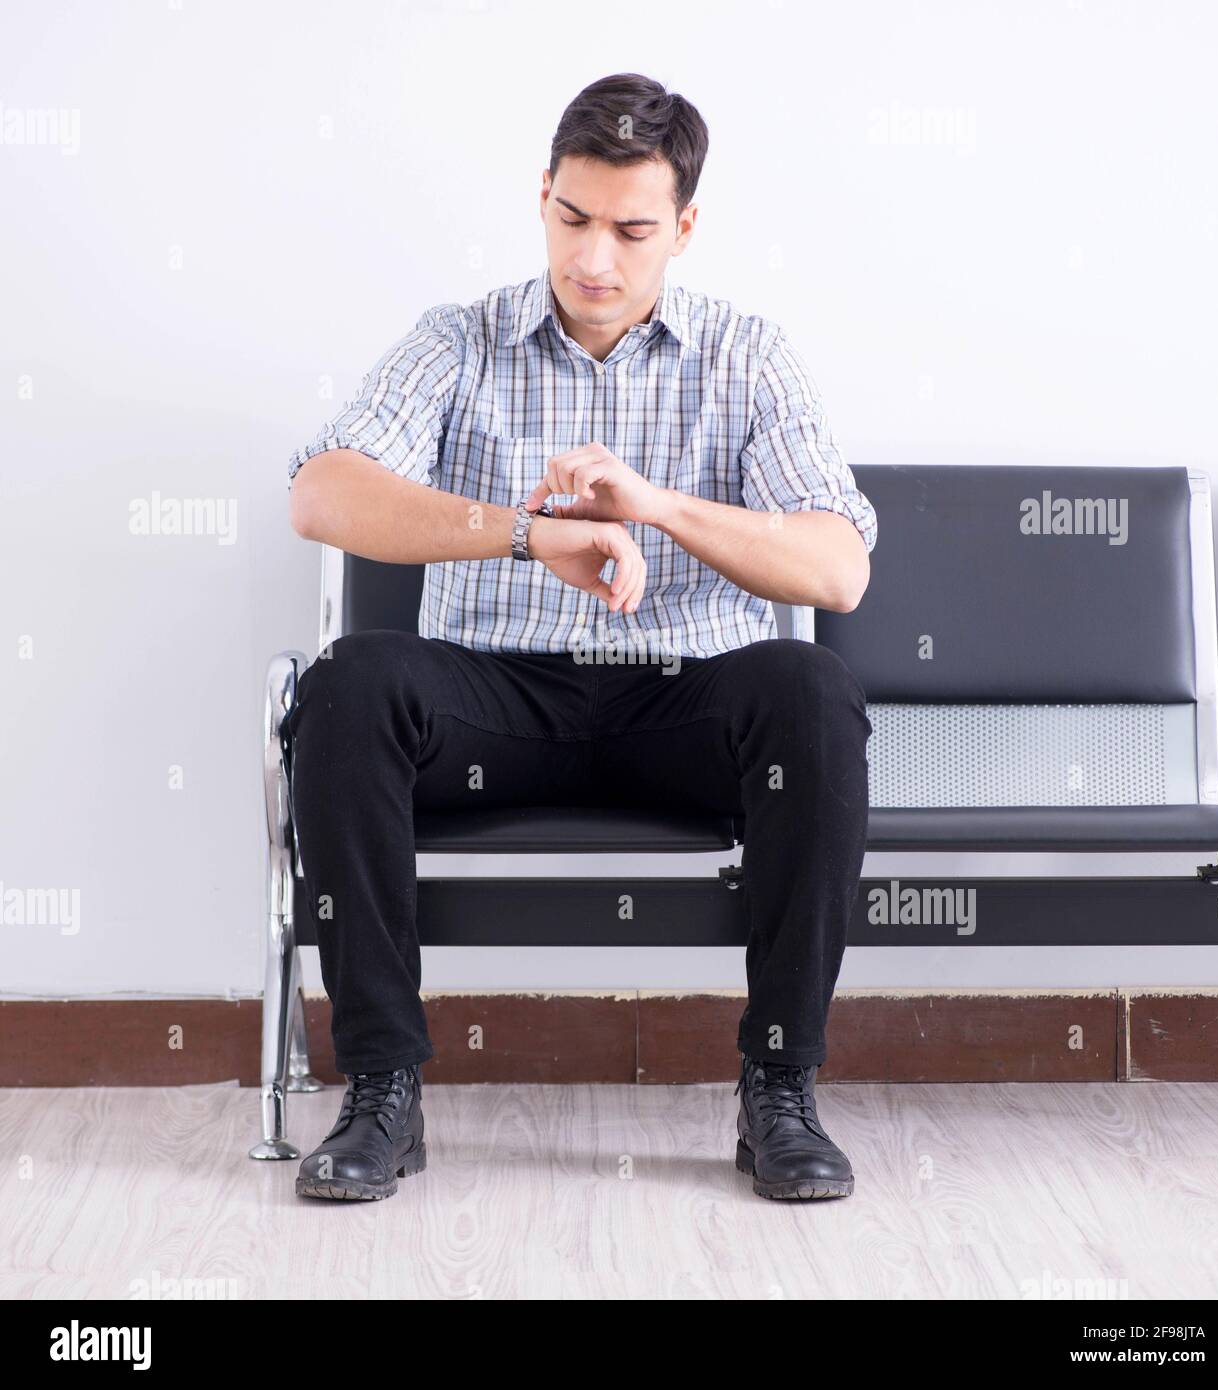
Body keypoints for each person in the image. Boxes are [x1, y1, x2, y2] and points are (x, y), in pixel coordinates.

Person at [284, 72, 877, 1203]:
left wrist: (647, 506)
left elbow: (835, 567)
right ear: (542, 196)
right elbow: (321, 490)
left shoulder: (745, 355)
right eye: (572, 218)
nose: (594, 258)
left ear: (684, 228)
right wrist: (524, 535)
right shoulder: (460, 342)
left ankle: (779, 1088)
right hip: (488, 707)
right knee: (349, 683)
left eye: (631, 229)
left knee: (810, 688)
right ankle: (380, 1089)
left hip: (683, 705)